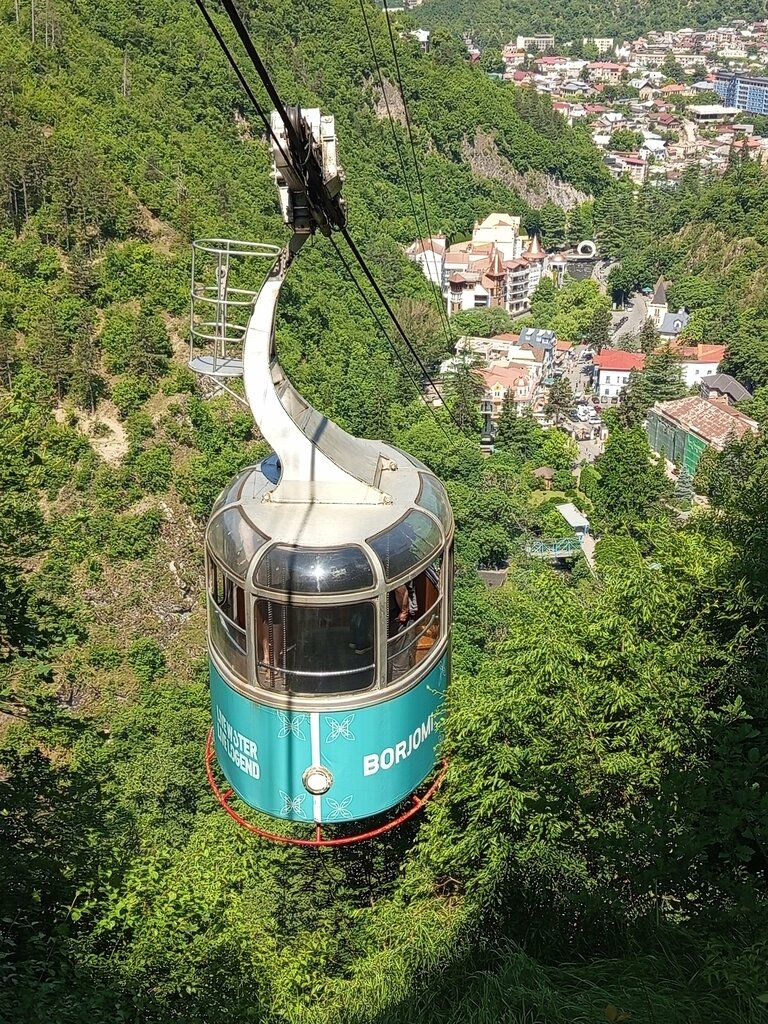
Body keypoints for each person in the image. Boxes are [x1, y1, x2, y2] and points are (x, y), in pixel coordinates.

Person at [388, 580, 417, 681]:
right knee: (400, 657)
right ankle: (398, 682)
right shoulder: (397, 564)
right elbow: (399, 587)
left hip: (386, 612)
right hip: (397, 615)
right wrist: (404, 610)